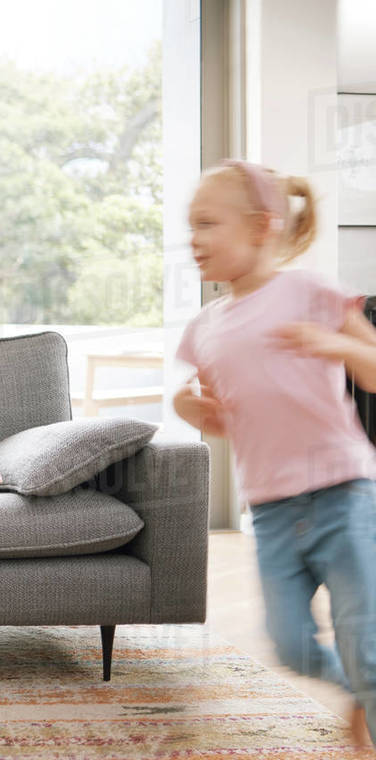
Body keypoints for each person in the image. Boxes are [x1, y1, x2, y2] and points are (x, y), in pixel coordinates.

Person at [174, 158, 376, 746]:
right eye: (191, 225)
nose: (194, 239)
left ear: (263, 226)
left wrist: (332, 340)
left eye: (208, 223)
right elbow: (210, 411)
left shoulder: (311, 292)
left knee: (362, 633)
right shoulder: (204, 328)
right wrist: (191, 409)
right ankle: (361, 688)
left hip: (344, 490)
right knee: (291, 645)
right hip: (271, 507)